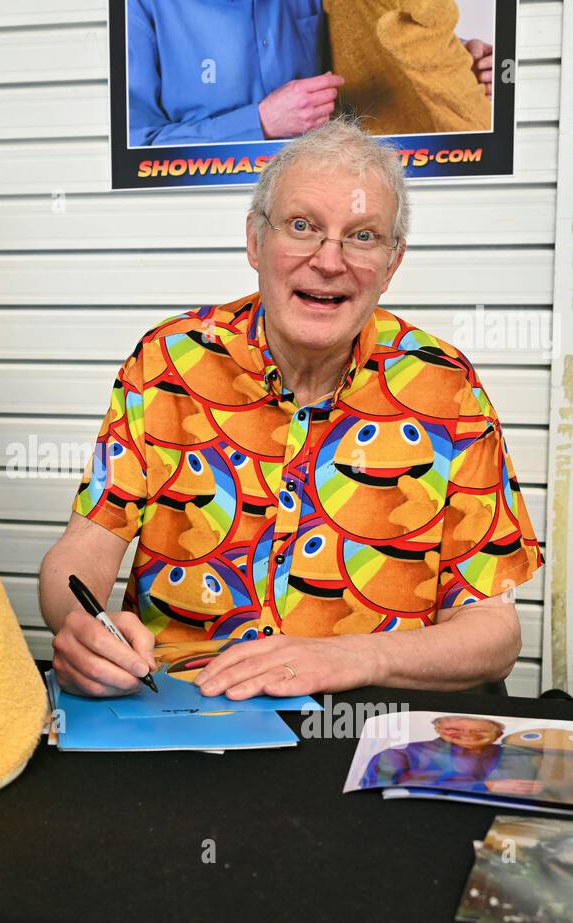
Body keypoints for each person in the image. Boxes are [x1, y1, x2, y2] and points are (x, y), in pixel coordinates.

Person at [39, 116, 543, 699]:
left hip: (368, 721)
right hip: (184, 711)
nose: (329, 261)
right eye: (303, 226)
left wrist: (352, 658)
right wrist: (78, 626)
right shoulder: (166, 363)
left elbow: (494, 634)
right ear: (256, 241)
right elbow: (82, 550)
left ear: (392, 262)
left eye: (362, 236)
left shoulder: (447, 386)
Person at [127, 0, 494, 145]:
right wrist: (260, 122)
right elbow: (136, 146)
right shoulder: (138, 9)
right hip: (211, 210)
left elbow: (373, 33)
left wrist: (454, 57)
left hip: (333, 193)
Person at [359, 716, 542, 794]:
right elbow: (379, 788)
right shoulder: (398, 754)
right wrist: (484, 787)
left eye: (479, 731)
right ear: (438, 728)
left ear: (498, 734)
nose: (467, 734)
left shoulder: (523, 757)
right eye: (454, 729)